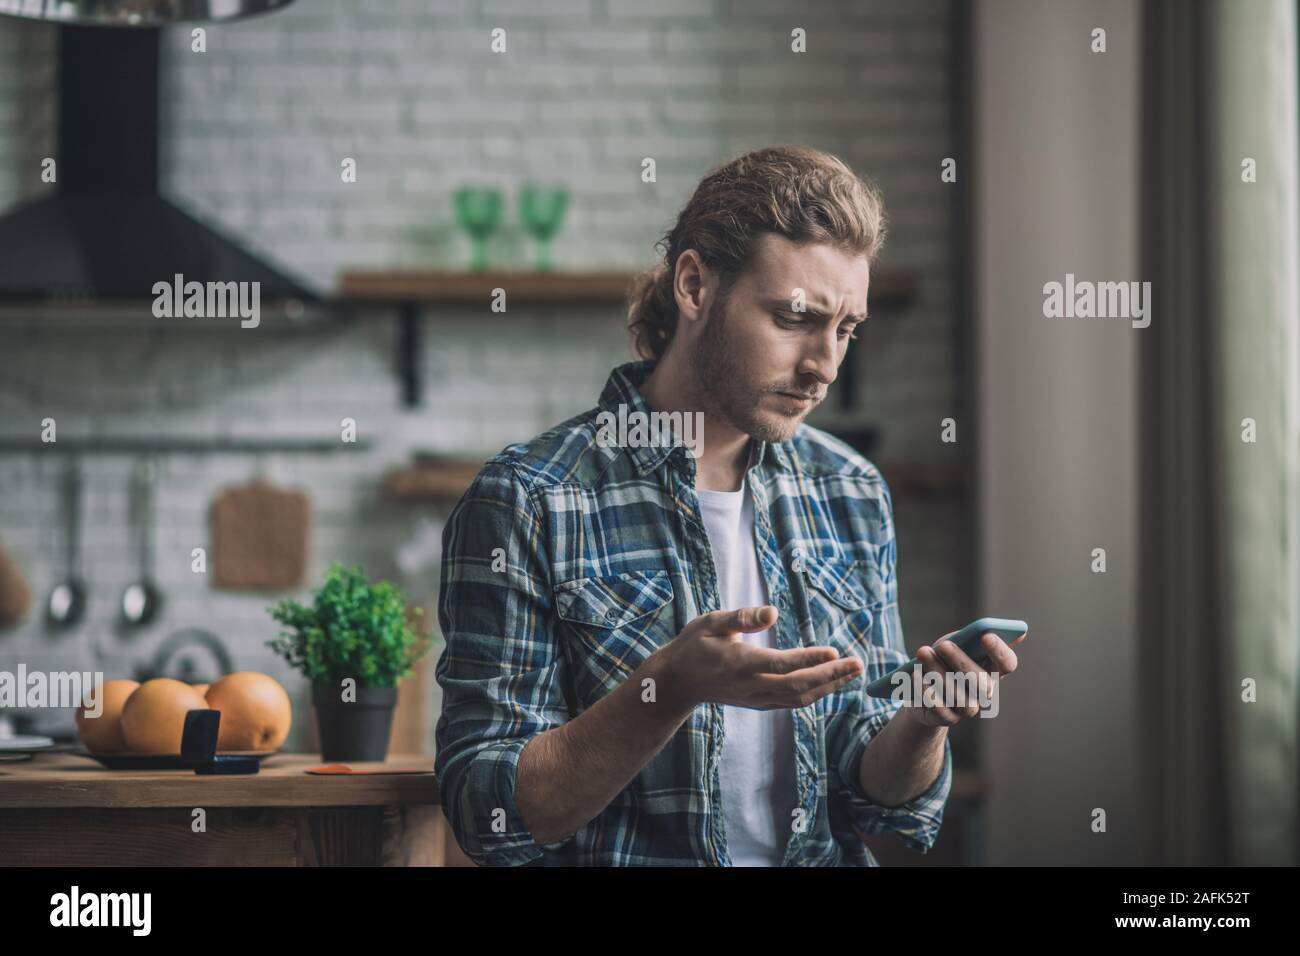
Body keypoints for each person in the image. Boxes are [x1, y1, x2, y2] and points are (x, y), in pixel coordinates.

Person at [434, 145, 1019, 866]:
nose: (825, 366)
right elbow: (487, 811)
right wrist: (667, 688)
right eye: (794, 318)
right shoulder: (529, 500)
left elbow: (874, 797)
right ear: (693, 285)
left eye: (846, 329)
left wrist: (923, 721)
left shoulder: (850, 490)